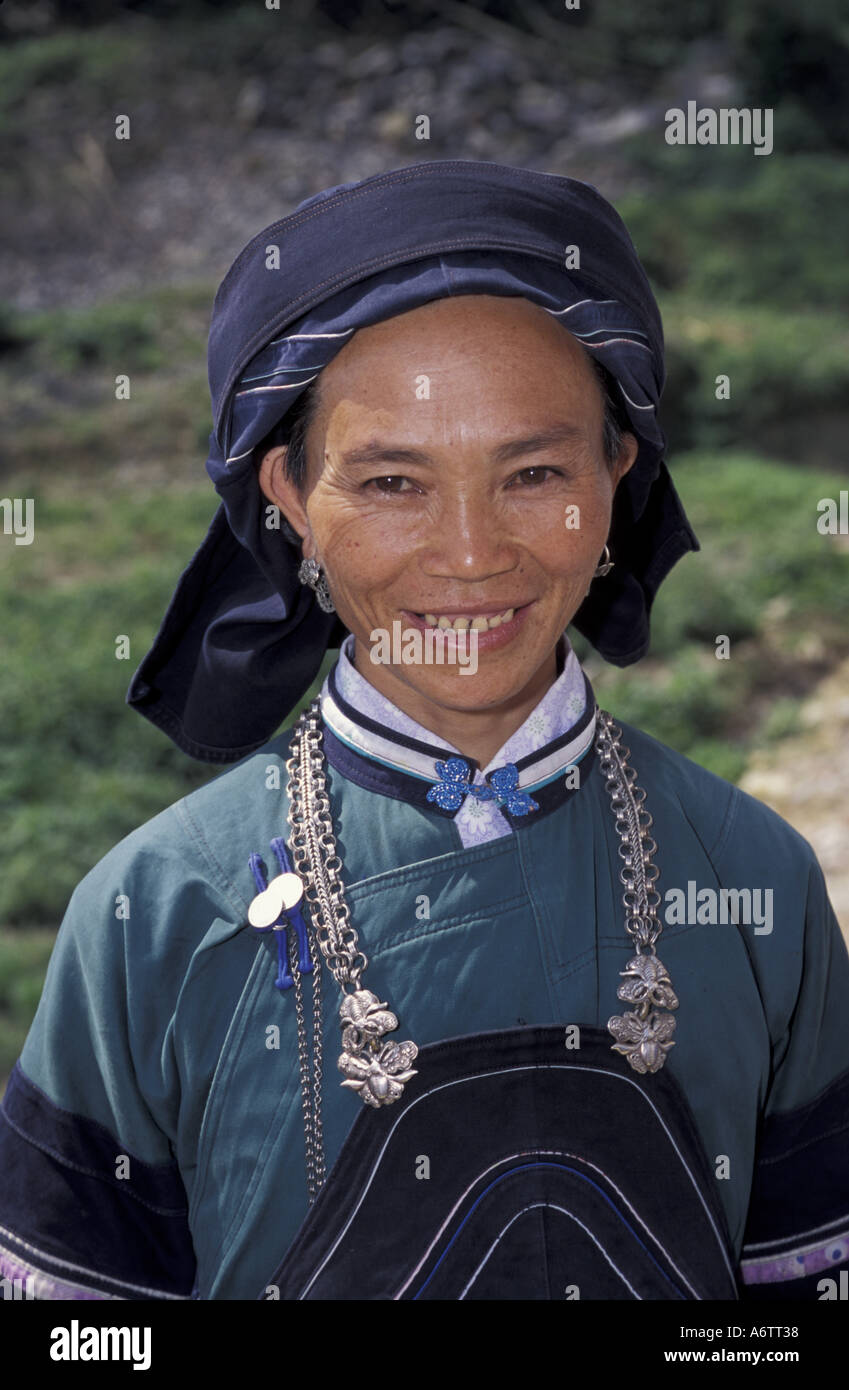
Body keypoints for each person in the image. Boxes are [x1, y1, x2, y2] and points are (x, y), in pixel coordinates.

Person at [1, 161, 847, 1302]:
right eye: (394, 481)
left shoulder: (756, 882)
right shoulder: (151, 917)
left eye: (535, 470)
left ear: (615, 474)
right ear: (291, 497)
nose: (469, 553)